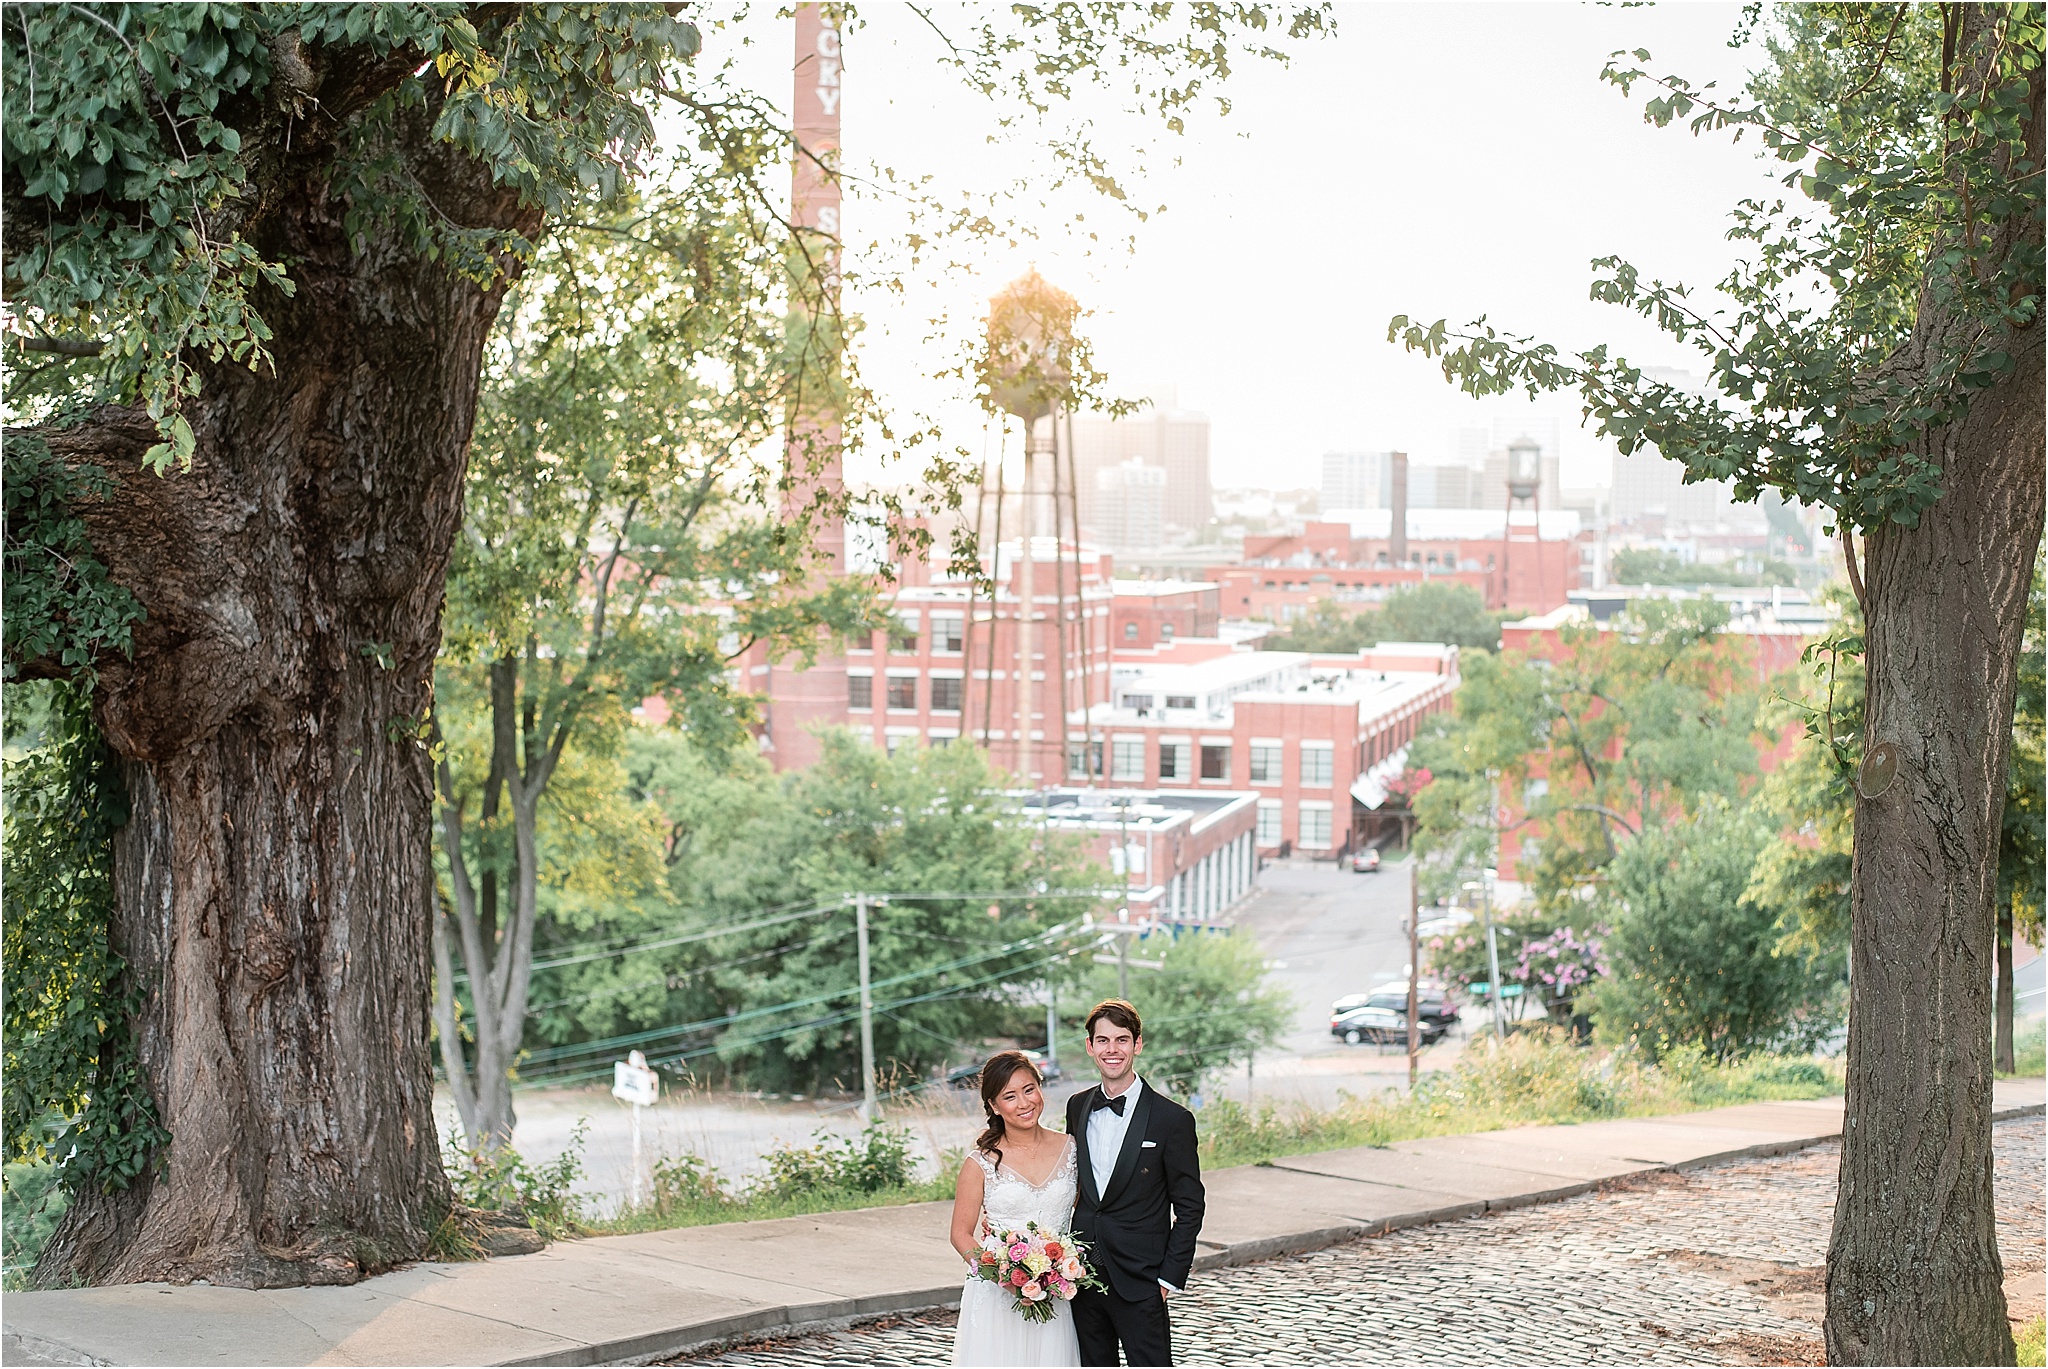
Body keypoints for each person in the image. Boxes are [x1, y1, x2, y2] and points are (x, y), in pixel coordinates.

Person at [1065, 999, 1204, 1367]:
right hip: (1082, 1275)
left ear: (1137, 1045)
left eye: (1122, 1040)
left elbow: (1190, 1206)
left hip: (1141, 1281)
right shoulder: (1077, 1107)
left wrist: (1168, 1279)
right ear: (1089, 1046)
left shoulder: (1172, 1119)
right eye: (1103, 1040)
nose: (1112, 1050)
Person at [951, 1049, 1082, 1366]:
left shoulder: (1072, 1148)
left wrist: (1062, 1269)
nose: (1025, 1103)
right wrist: (1002, 1275)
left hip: (1055, 1292)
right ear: (994, 1106)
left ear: (1040, 1087)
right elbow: (960, 1234)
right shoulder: (979, 1162)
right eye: (1010, 1096)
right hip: (997, 1295)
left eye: (1029, 1089)